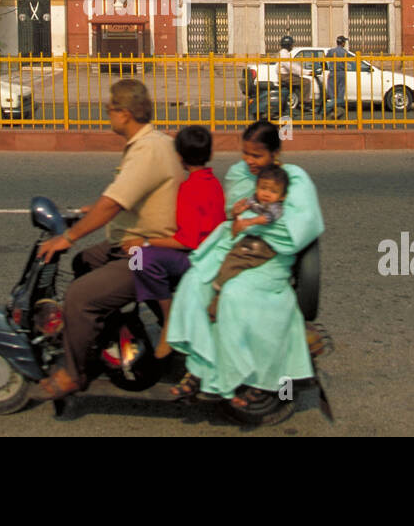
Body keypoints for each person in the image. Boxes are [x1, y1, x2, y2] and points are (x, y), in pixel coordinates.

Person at [32, 79, 183, 400]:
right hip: (133, 242)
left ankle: (74, 374)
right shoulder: (151, 142)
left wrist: (68, 236)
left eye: (110, 109)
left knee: (79, 297)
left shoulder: (147, 150)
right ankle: (109, 337)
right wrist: (92, 210)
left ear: (125, 113)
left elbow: (113, 203)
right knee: (84, 261)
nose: (107, 114)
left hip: (146, 253)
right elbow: (124, 194)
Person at [165, 119, 324, 410]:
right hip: (233, 248)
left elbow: (296, 230)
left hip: (272, 258)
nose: (249, 162)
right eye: (245, 154)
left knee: (235, 294)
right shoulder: (239, 174)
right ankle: (200, 366)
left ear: (275, 153)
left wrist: (249, 224)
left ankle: (251, 377)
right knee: (195, 282)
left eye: (257, 156)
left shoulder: (295, 178)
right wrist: (239, 221)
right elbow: (231, 217)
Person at [124, 125, 225, 359]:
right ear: (209, 154)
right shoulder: (214, 183)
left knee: (139, 260)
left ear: (178, 156)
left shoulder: (190, 188)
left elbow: (186, 241)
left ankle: (168, 317)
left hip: (196, 257)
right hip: (211, 253)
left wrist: (146, 242)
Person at [207, 164, 287, 321]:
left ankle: (219, 293)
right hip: (248, 238)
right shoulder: (254, 200)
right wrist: (237, 211)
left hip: (263, 244)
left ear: (282, 196)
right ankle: (219, 290)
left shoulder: (275, 207)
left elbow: (268, 218)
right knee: (232, 257)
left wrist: (250, 221)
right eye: (263, 188)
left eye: (273, 191)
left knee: (239, 261)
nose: (266, 194)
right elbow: (242, 208)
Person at [326, 35, 351, 118]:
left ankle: (333, 107)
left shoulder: (331, 51)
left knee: (332, 92)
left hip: (333, 73)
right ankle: (339, 108)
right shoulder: (345, 52)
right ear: (343, 43)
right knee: (341, 91)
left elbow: (324, 59)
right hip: (341, 73)